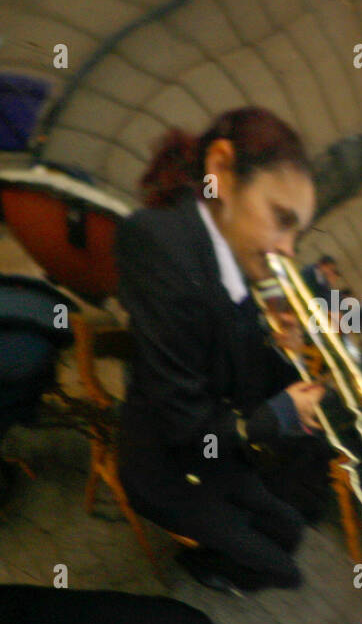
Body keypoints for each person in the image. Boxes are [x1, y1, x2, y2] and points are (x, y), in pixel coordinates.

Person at [115, 106, 332, 593]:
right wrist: (281, 411)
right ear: (220, 170)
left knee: (291, 530)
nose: (289, 249)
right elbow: (184, 422)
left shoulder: (232, 263)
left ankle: (217, 556)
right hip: (162, 460)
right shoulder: (160, 243)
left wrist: (281, 352)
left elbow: (234, 374)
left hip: (211, 449)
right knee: (283, 572)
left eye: (297, 232)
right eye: (281, 219)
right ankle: (204, 567)